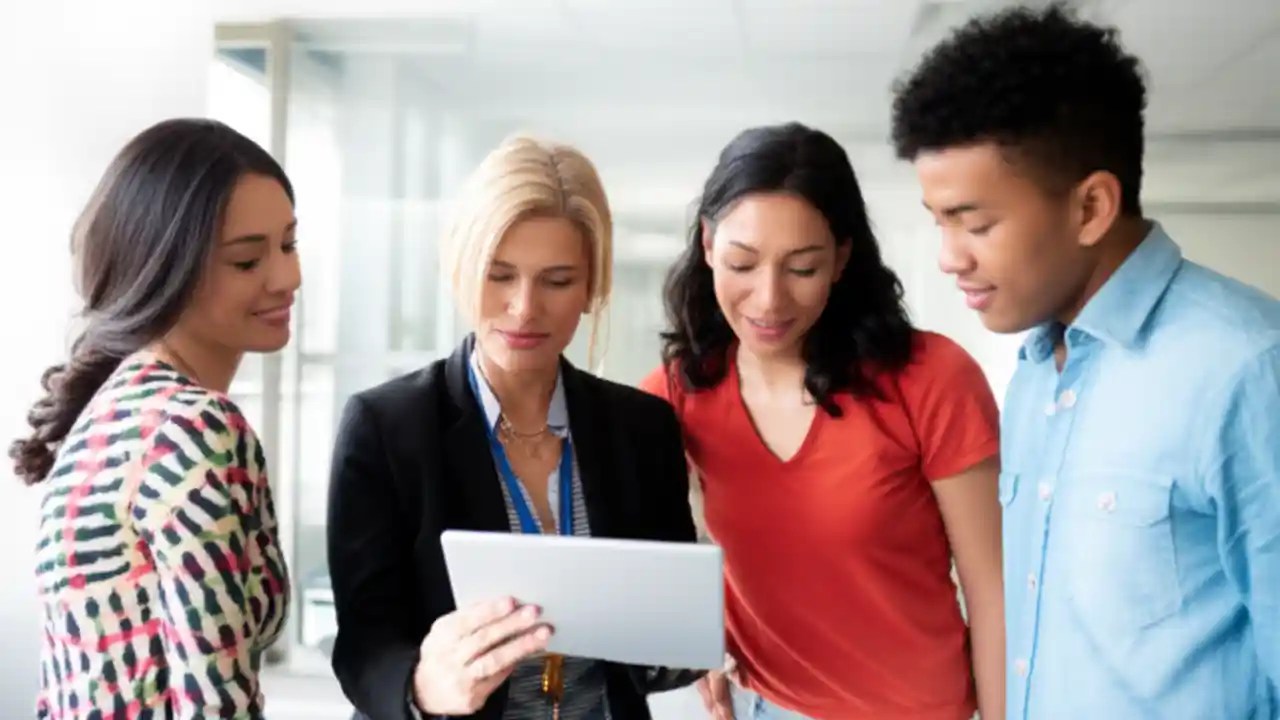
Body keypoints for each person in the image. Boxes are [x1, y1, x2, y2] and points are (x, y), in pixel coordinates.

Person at [891, 5, 1280, 719]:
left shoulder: (1249, 370)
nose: (950, 258)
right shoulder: (1039, 371)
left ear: (1092, 206)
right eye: (939, 222)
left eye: (976, 225)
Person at [326, 134, 699, 720]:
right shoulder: (386, 428)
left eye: (556, 281)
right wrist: (424, 687)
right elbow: (364, 647)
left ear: (592, 287)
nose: (525, 308)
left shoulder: (642, 428)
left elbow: (670, 642)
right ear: (460, 268)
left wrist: (689, 640)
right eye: (500, 275)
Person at [640, 122, 1004, 720]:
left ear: (841, 259)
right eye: (742, 263)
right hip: (760, 707)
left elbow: (993, 594)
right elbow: (629, 555)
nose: (768, 300)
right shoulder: (680, 391)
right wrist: (693, 639)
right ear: (707, 246)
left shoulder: (931, 378)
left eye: (802, 269)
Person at [10, 118, 297, 717]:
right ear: (170, 267)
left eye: (289, 244)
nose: (287, 277)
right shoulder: (191, 428)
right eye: (248, 261)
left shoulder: (114, 413)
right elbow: (216, 703)